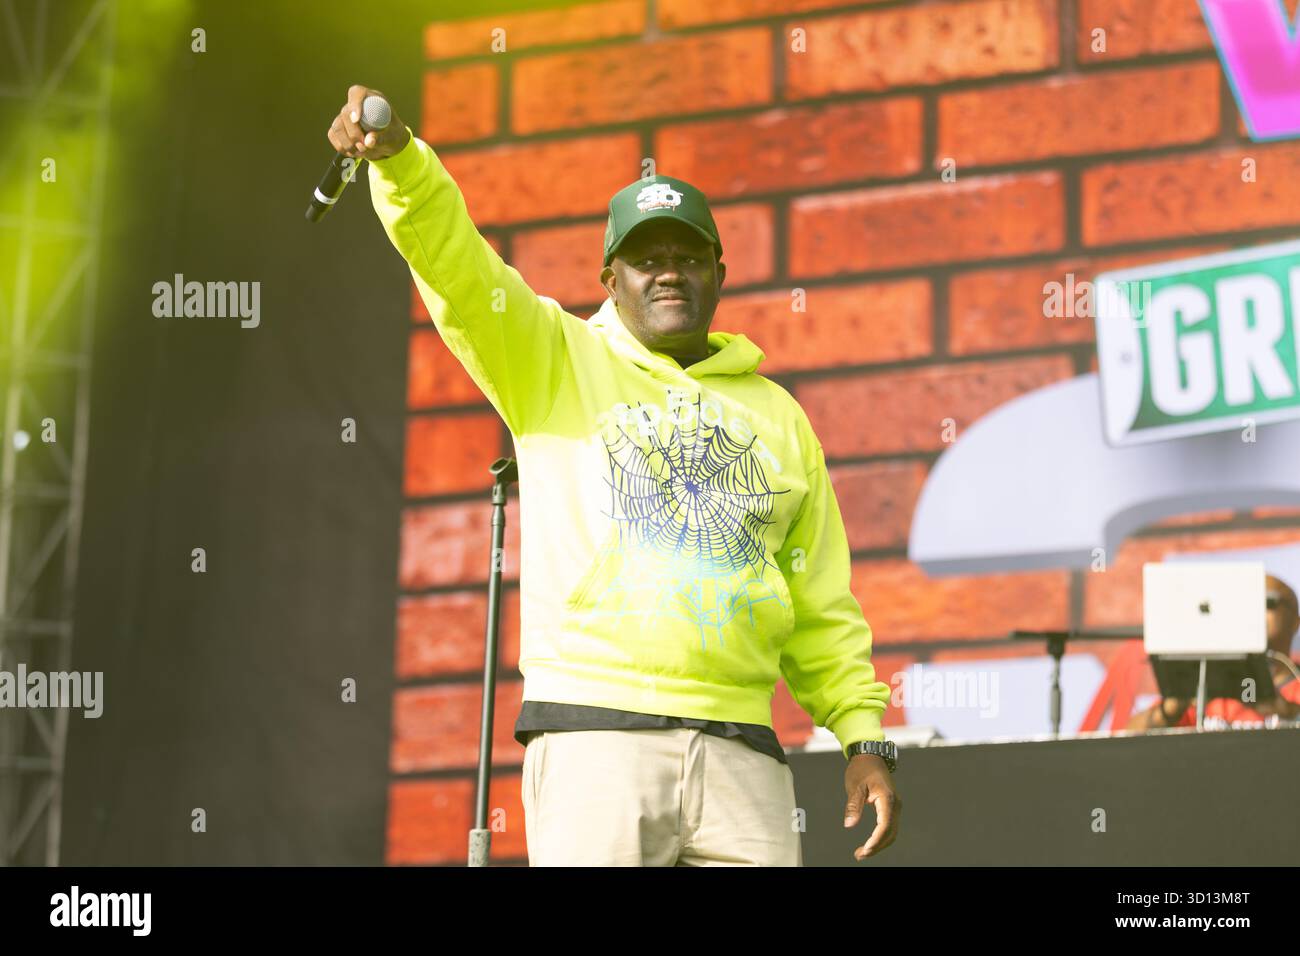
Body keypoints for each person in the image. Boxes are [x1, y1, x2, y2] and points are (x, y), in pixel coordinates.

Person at [328, 86, 900, 865]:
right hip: (596, 733)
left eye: (687, 257)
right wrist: (400, 164)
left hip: (743, 748)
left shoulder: (778, 415)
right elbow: (459, 266)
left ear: (720, 273)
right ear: (611, 277)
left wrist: (862, 736)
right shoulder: (553, 357)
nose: (669, 275)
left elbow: (819, 601)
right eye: (646, 260)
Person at [1126, 573, 1300, 731]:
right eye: (1246, 604)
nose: (1253, 612)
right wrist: (1169, 710)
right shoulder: (1208, 680)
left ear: (1295, 622)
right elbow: (1128, 738)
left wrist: (1288, 712)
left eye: (1267, 602)